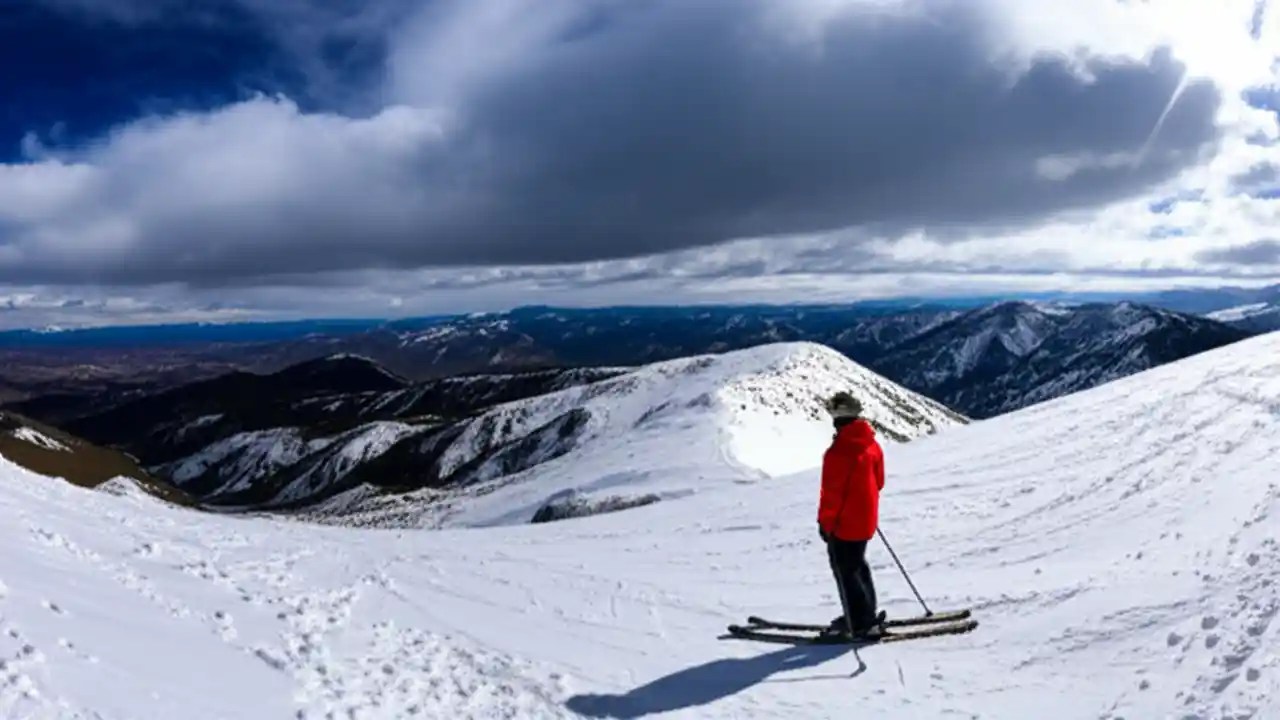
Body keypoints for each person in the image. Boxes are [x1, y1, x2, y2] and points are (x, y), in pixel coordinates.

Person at [817, 391, 886, 638]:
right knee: (857, 564)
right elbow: (878, 481)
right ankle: (865, 612)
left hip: (844, 524)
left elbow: (832, 494)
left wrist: (825, 524)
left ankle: (859, 622)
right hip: (866, 518)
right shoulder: (871, 443)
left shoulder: (838, 453)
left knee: (845, 568)